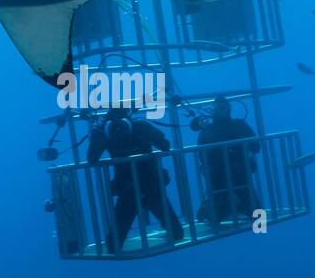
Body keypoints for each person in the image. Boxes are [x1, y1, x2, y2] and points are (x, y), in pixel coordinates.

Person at [88, 107, 185, 252]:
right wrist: (99, 132)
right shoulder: (124, 130)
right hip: (137, 187)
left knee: (177, 234)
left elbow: (92, 158)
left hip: (143, 187)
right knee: (113, 245)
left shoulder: (128, 129)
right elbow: (165, 146)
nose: (119, 131)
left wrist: (99, 131)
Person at [197, 96, 261, 224]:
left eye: (226, 107)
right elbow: (202, 157)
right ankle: (214, 206)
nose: (224, 110)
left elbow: (256, 147)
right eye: (220, 107)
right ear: (214, 110)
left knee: (258, 217)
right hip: (219, 179)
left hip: (241, 176)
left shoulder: (240, 124)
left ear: (230, 108)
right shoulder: (208, 130)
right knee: (213, 220)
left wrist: (243, 141)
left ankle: (235, 205)